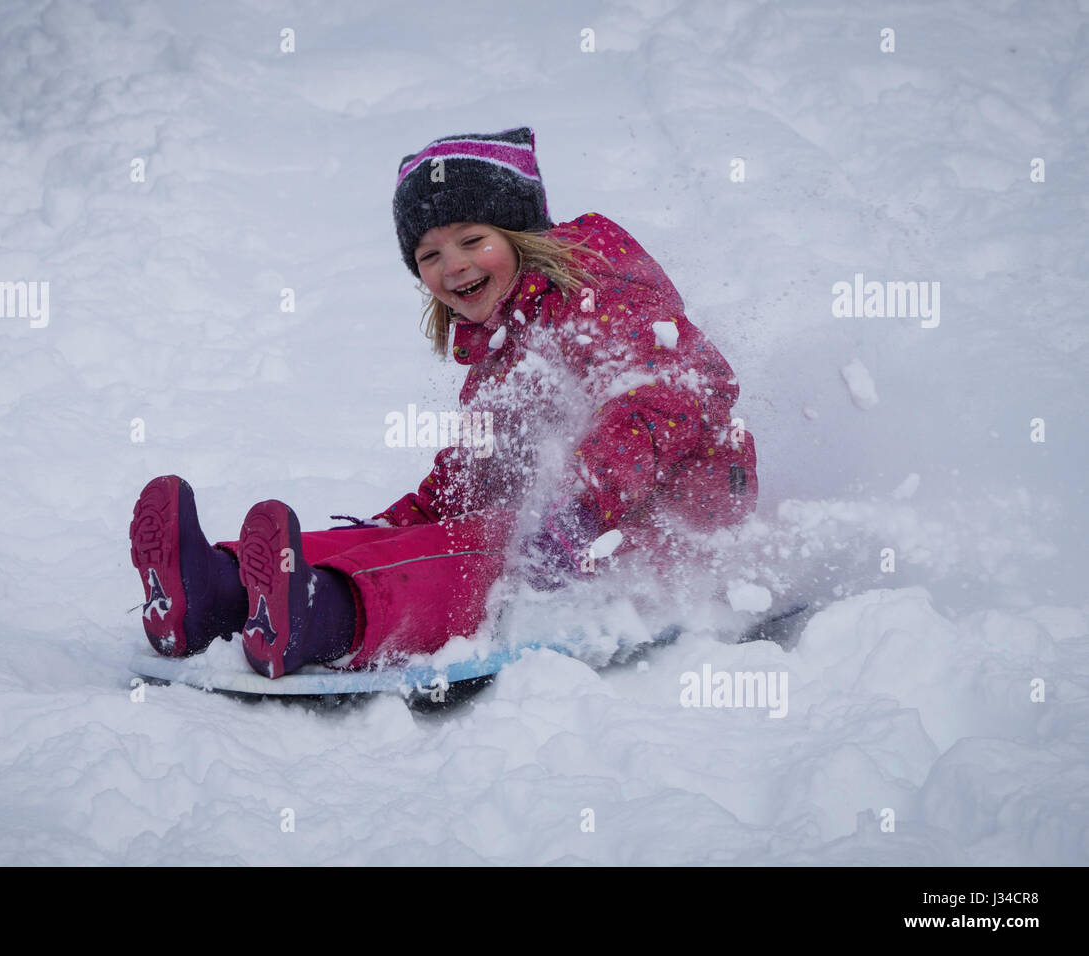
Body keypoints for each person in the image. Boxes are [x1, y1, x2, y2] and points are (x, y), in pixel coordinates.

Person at [129, 126, 758, 679]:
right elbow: (473, 475)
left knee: (487, 550)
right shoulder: (502, 350)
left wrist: (578, 509)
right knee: (450, 530)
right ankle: (217, 591)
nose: (451, 266)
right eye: (429, 254)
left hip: (668, 523)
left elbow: (669, 395)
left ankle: (323, 614)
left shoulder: (596, 278)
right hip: (580, 525)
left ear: (520, 235)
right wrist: (391, 527)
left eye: (471, 239)